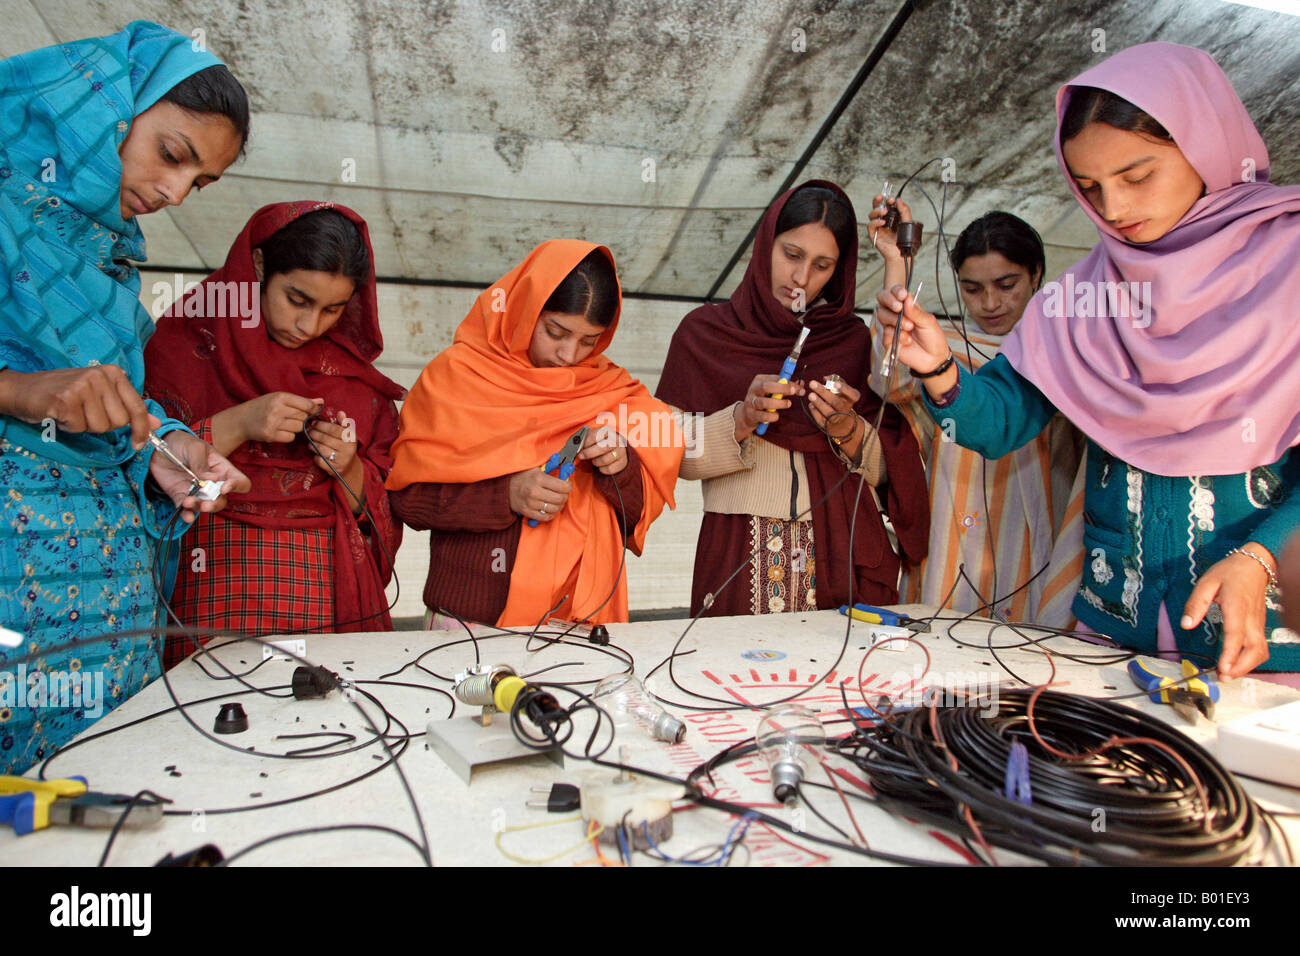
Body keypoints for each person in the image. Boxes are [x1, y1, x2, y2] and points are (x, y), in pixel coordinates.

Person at [875, 43, 1300, 680]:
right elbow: (993, 426)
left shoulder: (1289, 270)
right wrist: (938, 370)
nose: (1114, 210)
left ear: (1208, 148)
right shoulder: (1083, 296)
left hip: (1261, 646)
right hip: (1113, 636)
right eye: (1091, 187)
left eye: (1136, 176)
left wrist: (1261, 558)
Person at [0, 22, 252, 772]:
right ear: (99, 106)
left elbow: (104, 399)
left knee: (94, 799)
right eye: (172, 155)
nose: (173, 193)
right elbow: (46, 390)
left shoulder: (109, 267)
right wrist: (17, 390)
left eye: (198, 183)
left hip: (103, 618)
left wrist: (162, 449)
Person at [144, 203, 405, 662]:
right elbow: (136, 470)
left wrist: (348, 467)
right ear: (258, 266)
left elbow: (383, 511)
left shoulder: (355, 384)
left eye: (333, 309)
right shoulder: (184, 348)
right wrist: (240, 423)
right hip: (212, 585)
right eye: (297, 300)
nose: (309, 325)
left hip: (329, 600)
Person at [657, 181, 928, 617]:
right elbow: (667, 453)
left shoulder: (852, 340)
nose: (802, 278)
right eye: (792, 255)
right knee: (732, 679)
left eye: (823, 265)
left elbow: (892, 467)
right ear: (766, 244)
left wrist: (847, 429)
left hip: (846, 555)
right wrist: (739, 420)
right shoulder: (705, 333)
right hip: (736, 553)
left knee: (844, 684)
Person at [387, 240, 682, 628]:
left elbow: (639, 509)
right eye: (555, 332)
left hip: (575, 618)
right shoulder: (455, 378)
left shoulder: (613, 391)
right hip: (469, 621)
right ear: (526, 309)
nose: (569, 354)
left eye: (588, 341)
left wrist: (621, 464)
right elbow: (408, 499)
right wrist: (505, 494)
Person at [871, 208, 1085, 624]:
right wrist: (896, 262)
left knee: (1029, 659)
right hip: (952, 528)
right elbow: (889, 378)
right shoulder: (940, 345)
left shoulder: (1065, 348)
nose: (990, 303)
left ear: (1036, 274)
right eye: (972, 289)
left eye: (1007, 285)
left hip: (1042, 531)